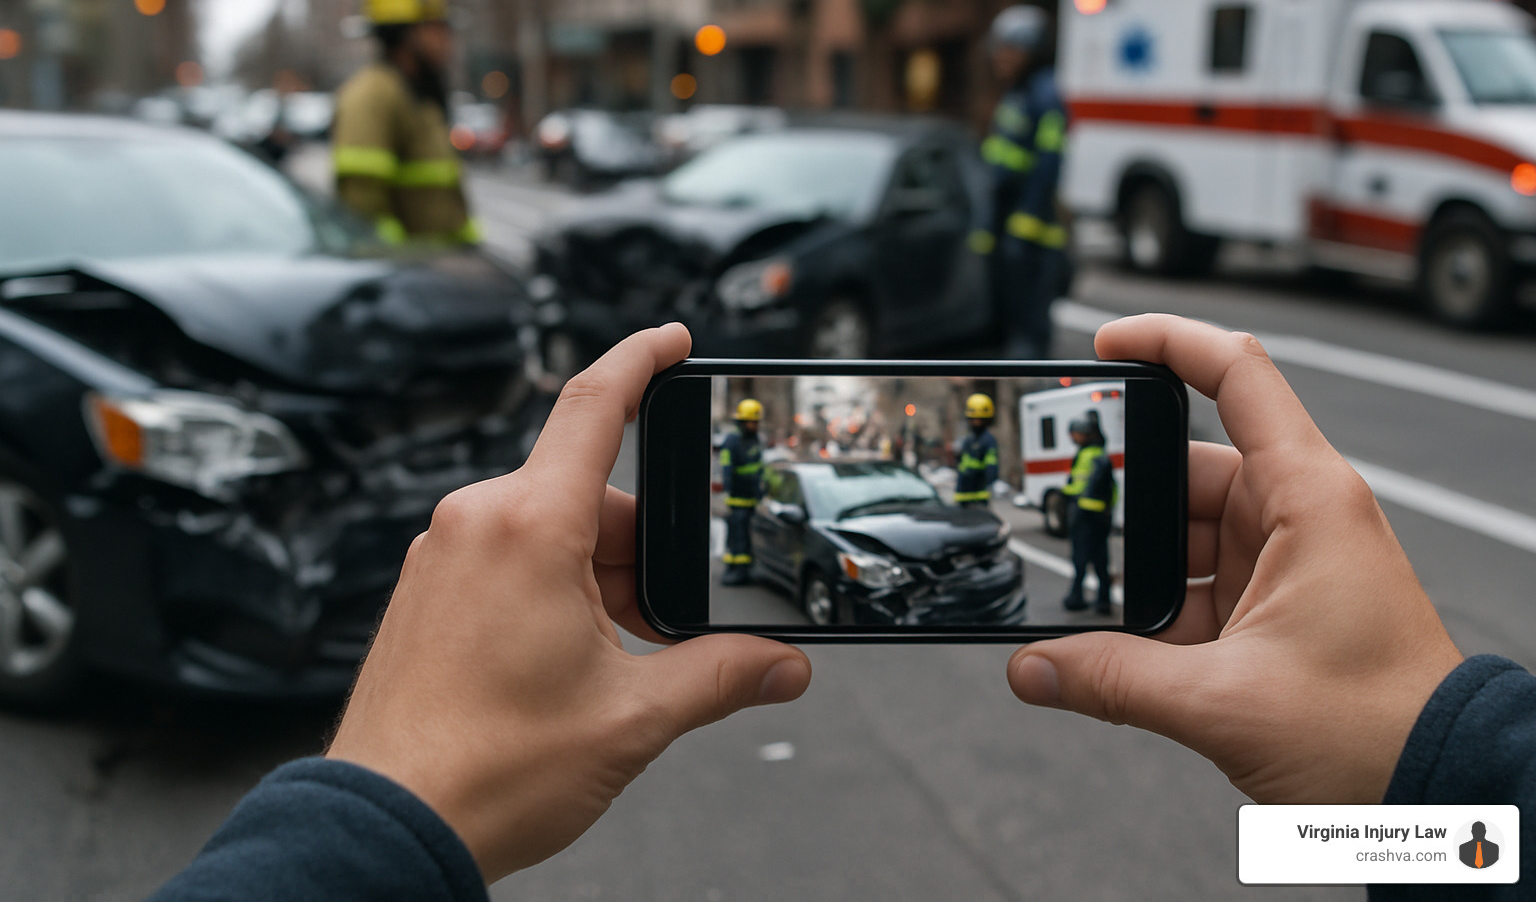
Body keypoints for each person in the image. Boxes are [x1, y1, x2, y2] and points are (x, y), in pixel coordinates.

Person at [149, 316, 1535, 901]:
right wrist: (1437, 784)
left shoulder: (941, 470)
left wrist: (375, 813)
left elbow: (1460, 853)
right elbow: (1463, 854)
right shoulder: (787, 476)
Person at [331, 0, 478, 246]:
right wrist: (407, 267)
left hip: (439, 277)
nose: (447, 40)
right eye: (437, 27)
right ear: (406, 34)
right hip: (410, 281)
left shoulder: (419, 96)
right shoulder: (371, 97)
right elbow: (363, 215)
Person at [976, 4, 1069, 359]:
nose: (998, 57)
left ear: (1027, 50)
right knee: (1005, 327)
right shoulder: (1015, 94)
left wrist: (1023, 226)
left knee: (1030, 334)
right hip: (1007, 226)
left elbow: (1048, 166)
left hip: (1032, 236)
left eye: (1006, 49)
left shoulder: (1045, 97)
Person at [1060, 413, 1116, 614]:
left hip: (1084, 514)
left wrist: (1065, 493)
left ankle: (1076, 597)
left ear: (1084, 434)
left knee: (1080, 557)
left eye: (1074, 433)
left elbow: (1079, 486)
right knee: (1101, 558)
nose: (1072, 437)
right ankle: (1103, 601)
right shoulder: (1101, 453)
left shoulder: (1086, 455)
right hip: (1100, 515)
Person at [718, 398, 764, 586]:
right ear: (742, 422)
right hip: (737, 500)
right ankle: (736, 571)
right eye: (751, 422)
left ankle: (741, 569)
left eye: (756, 422)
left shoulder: (755, 441)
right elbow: (727, 468)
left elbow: (759, 468)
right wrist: (727, 492)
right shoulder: (732, 442)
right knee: (738, 536)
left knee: (745, 536)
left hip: (752, 499)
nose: (754, 426)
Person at [953, 392, 999, 507]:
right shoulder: (968, 439)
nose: (975, 422)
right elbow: (962, 463)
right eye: (973, 418)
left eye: (979, 419)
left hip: (978, 498)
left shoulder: (988, 441)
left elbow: (991, 469)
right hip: (962, 496)